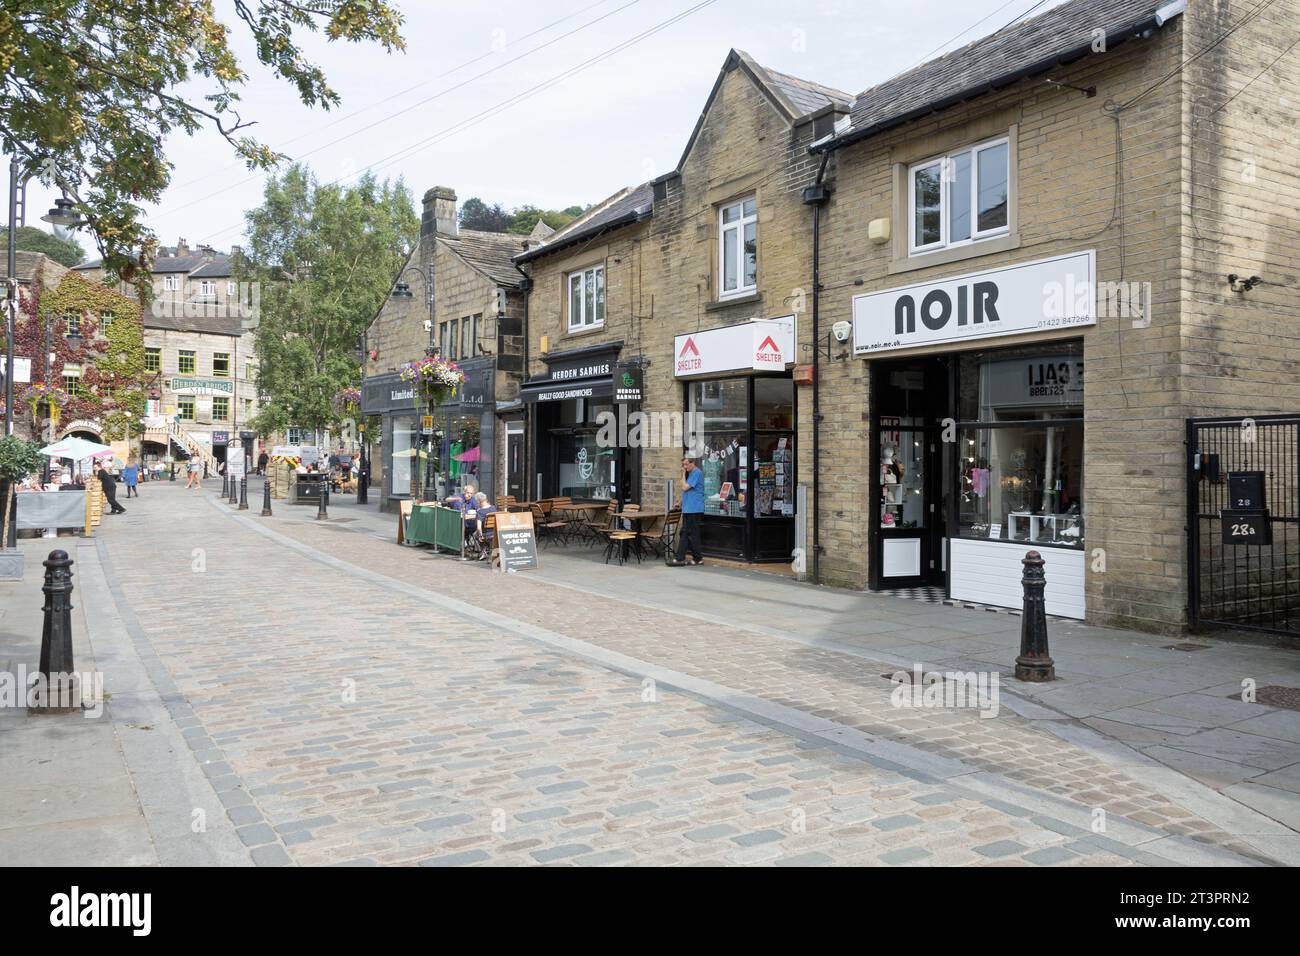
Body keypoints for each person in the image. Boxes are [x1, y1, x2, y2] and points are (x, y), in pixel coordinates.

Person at [669, 455, 705, 567]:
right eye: (683, 465)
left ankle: (680, 558)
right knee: (691, 534)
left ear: (692, 463)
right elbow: (687, 492)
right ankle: (698, 559)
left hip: (694, 509)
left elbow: (684, 487)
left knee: (685, 533)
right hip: (688, 509)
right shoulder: (691, 474)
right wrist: (679, 503)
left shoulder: (697, 473)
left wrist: (682, 475)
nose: (684, 467)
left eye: (686, 464)